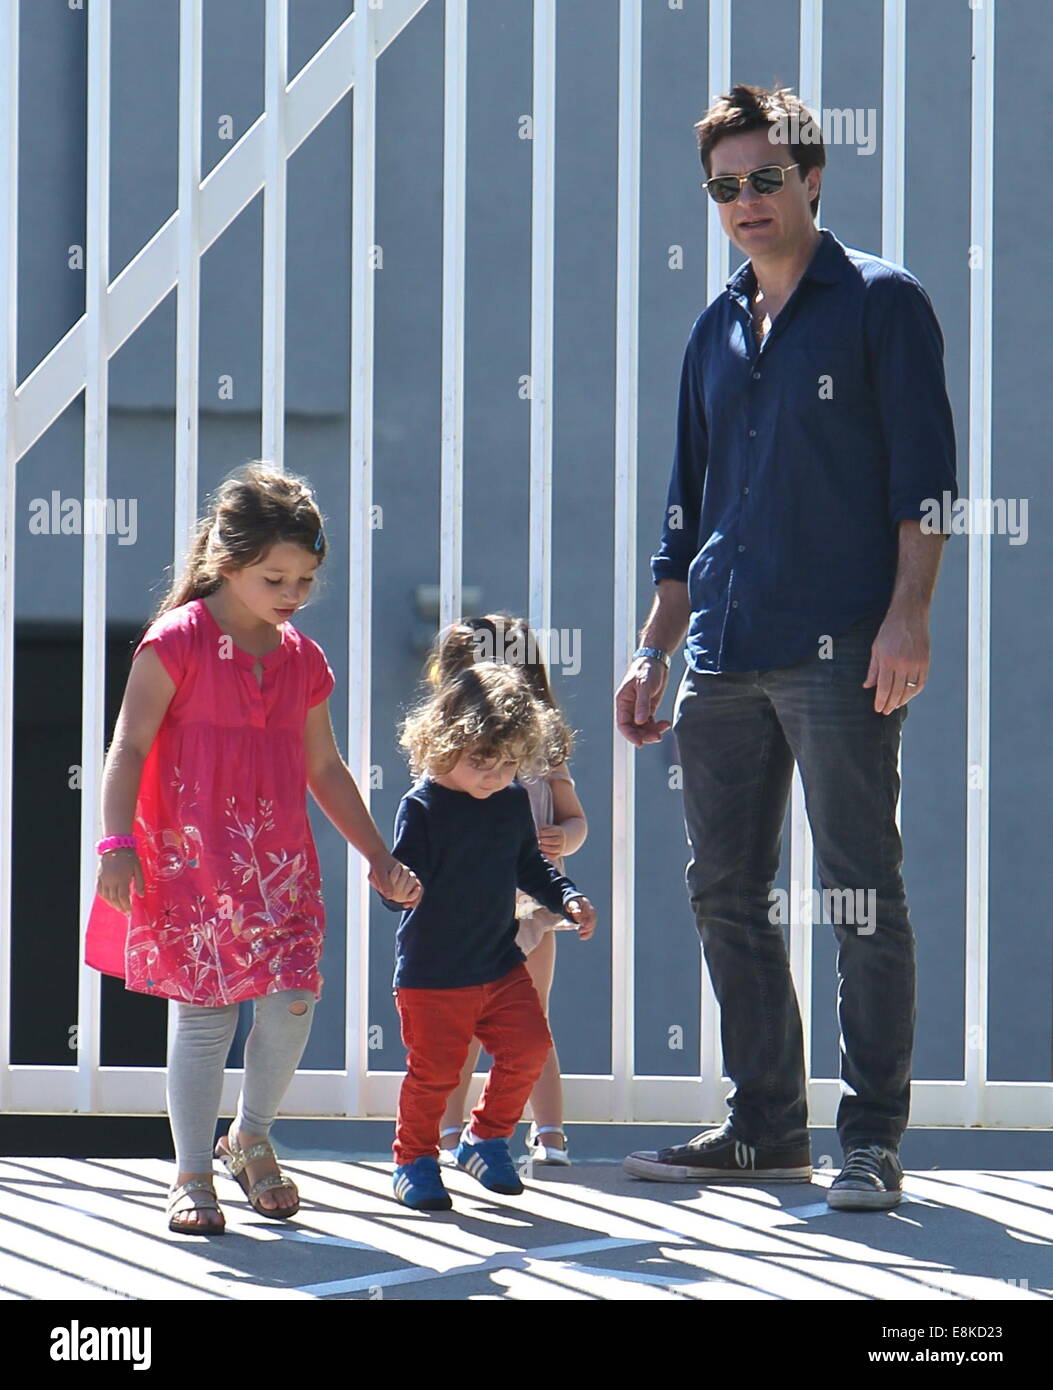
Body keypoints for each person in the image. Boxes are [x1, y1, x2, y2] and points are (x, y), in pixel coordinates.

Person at [615, 84, 957, 1210]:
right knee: (724, 888)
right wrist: (654, 648)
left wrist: (907, 617)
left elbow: (927, 487)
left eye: (767, 178)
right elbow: (685, 507)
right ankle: (768, 1126)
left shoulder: (880, 305)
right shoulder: (714, 327)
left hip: (844, 647)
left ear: (814, 177)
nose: (747, 202)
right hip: (721, 648)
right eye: (726, 186)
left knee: (862, 888)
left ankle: (871, 1137)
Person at [90, 463, 421, 1235]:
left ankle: (252, 1136)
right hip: (191, 864)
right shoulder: (175, 643)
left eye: (304, 579)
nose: (292, 593)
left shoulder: (302, 660)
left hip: (279, 868)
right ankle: (191, 1172)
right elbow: (128, 746)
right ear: (227, 561)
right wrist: (115, 843)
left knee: (293, 1001)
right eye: (276, 576)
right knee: (205, 1020)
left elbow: (325, 769)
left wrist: (377, 853)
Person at [380, 661, 597, 1211]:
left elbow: (532, 865)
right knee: (434, 1073)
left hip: (499, 962)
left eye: (507, 765)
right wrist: (395, 887)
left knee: (528, 1048)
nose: (494, 775)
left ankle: (485, 1138)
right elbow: (398, 881)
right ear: (442, 743)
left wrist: (565, 897)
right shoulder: (422, 806)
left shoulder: (510, 802)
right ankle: (414, 1160)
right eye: (481, 761)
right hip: (434, 972)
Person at [428, 616, 589, 1167]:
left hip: (531, 905)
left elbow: (576, 821)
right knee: (463, 1020)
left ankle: (548, 1132)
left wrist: (561, 837)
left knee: (531, 1018)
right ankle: (450, 1133)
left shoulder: (544, 752)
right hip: (471, 908)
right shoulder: (451, 755)